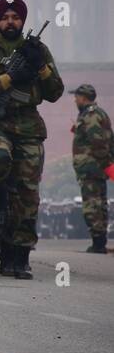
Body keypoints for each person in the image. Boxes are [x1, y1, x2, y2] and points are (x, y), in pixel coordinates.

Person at [0, 0, 64, 278]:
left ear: (22, 21)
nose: (10, 21)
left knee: (27, 194)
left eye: (15, 17)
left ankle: (19, 255)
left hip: (27, 126)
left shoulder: (38, 50)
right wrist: (8, 77)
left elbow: (54, 92)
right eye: (5, 17)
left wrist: (41, 67)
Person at [69, 83, 111, 254]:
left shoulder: (91, 116)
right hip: (96, 167)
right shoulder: (98, 113)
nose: (75, 100)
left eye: (77, 97)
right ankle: (99, 240)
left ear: (84, 98)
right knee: (100, 203)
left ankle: (98, 242)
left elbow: (98, 143)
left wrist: (102, 164)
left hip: (92, 168)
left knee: (92, 204)